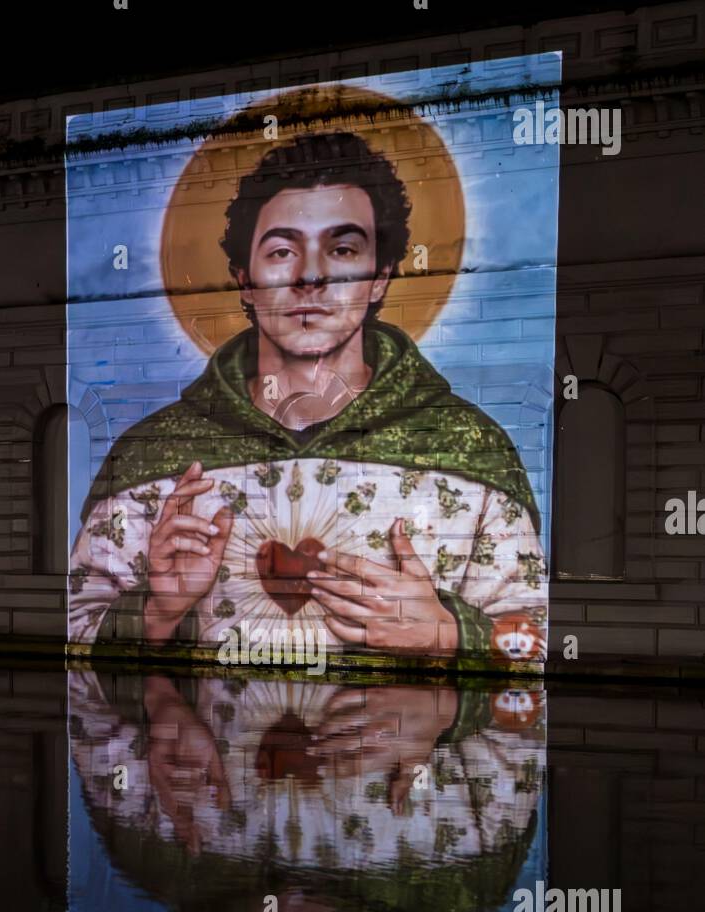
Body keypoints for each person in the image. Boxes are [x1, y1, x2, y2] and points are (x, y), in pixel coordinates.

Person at [69, 130, 547, 660]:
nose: (310, 277)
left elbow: (540, 644)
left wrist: (453, 635)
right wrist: (159, 611)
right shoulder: (154, 455)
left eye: (342, 249)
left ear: (380, 278)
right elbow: (72, 645)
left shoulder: (471, 446)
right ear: (244, 280)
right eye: (282, 251)